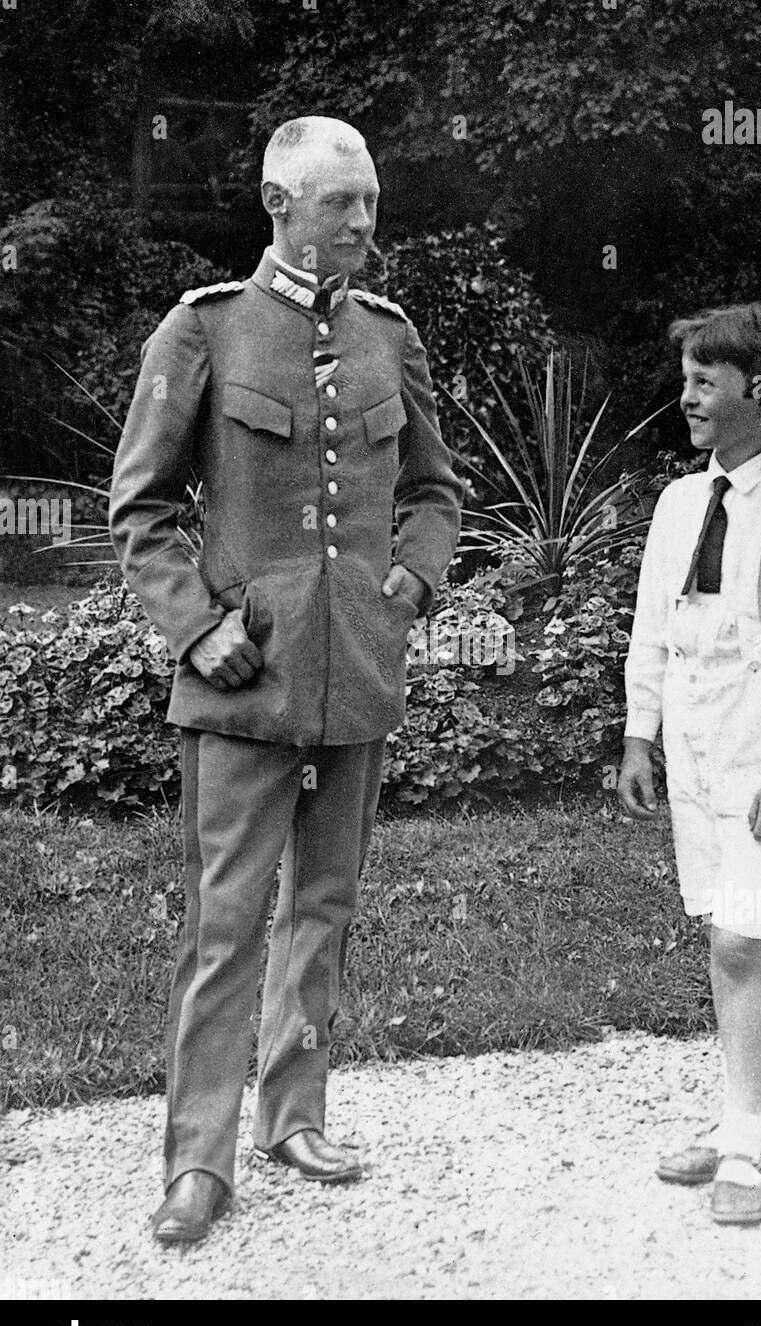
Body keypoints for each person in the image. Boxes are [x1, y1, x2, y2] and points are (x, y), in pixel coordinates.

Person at [109, 116, 464, 1244]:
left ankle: (295, 1116)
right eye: (339, 204)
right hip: (243, 682)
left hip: (354, 675)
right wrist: (195, 629)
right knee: (225, 925)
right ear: (277, 204)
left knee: (324, 905)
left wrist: (408, 583)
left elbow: (434, 489)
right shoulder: (205, 330)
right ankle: (198, 1164)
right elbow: (144, 506)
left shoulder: (386, 335)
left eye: (369, 202)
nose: (362, 223)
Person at [618, 302, 761, 1224]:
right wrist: (640, 736)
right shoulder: (680, 503)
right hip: (694, 746)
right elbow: (653, 628)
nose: (688, 399)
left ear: (758, 390)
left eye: (704, 383)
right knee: (720, 931)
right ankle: (739, 1120)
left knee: (741, 939)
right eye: (685, 381)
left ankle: (747, 1144)